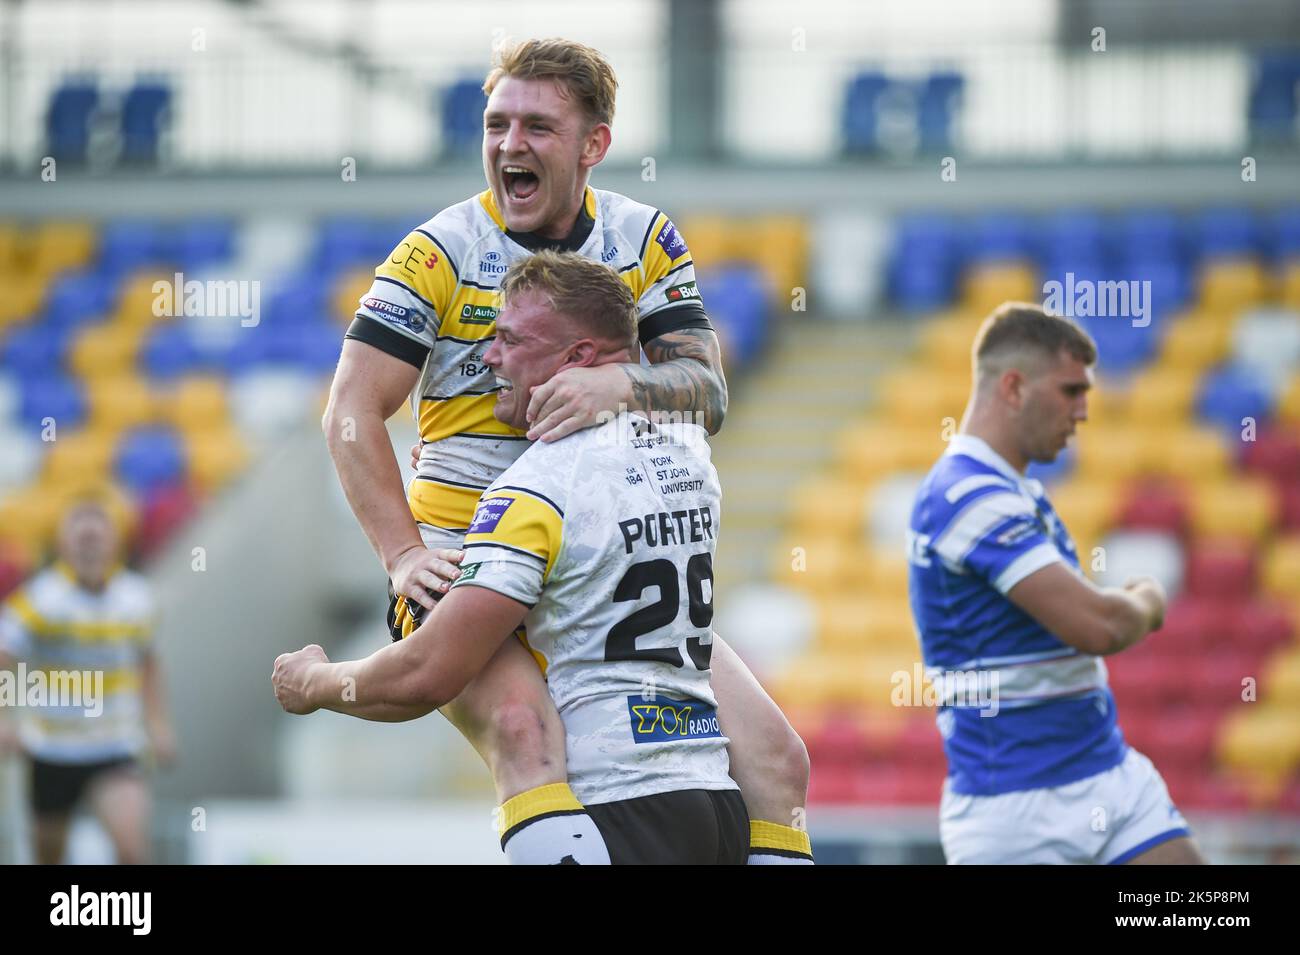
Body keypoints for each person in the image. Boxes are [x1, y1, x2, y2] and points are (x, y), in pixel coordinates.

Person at [323, 37, 810, 863]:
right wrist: (404, 555)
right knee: (523, 730)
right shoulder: (435, 252)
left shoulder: (645, 237)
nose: (510, 145)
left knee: (775, 759)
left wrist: (619, 387)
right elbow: (349, 412)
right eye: (497, 123)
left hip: (598, 569)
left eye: (538, 128)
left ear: (594, 145)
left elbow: (709, 391)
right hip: (470, 566)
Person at [278, 252, 750, 864]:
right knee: (781, 756)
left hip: (618, 810)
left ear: (578, 358)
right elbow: (701, 391)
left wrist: (316, 683)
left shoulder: (537, 491)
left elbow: (428, 673)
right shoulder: (689, 456)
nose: (488, 357)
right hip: (718, 803)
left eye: (507, 339)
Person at [907, 302, 1204, 864]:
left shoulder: (1018, 492)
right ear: (1014, 387)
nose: (1084, 411)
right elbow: (1097, 625)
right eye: (1071, 390)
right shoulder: (965, 494)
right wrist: (1149, 596)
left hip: (1108, 774)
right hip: (1016, 812)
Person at [0, 496, 176, 864]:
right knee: (50, 856)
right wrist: (5, 718)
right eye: (81, 538)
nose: (89, 546)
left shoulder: (136, 598)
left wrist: (157, 724)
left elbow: (148, 662)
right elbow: (5, 655)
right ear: (64, 545)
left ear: (115, 543)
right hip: (52, 747)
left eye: (97, 537)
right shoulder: (40, 600)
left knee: (131, 850)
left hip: (114, 744)